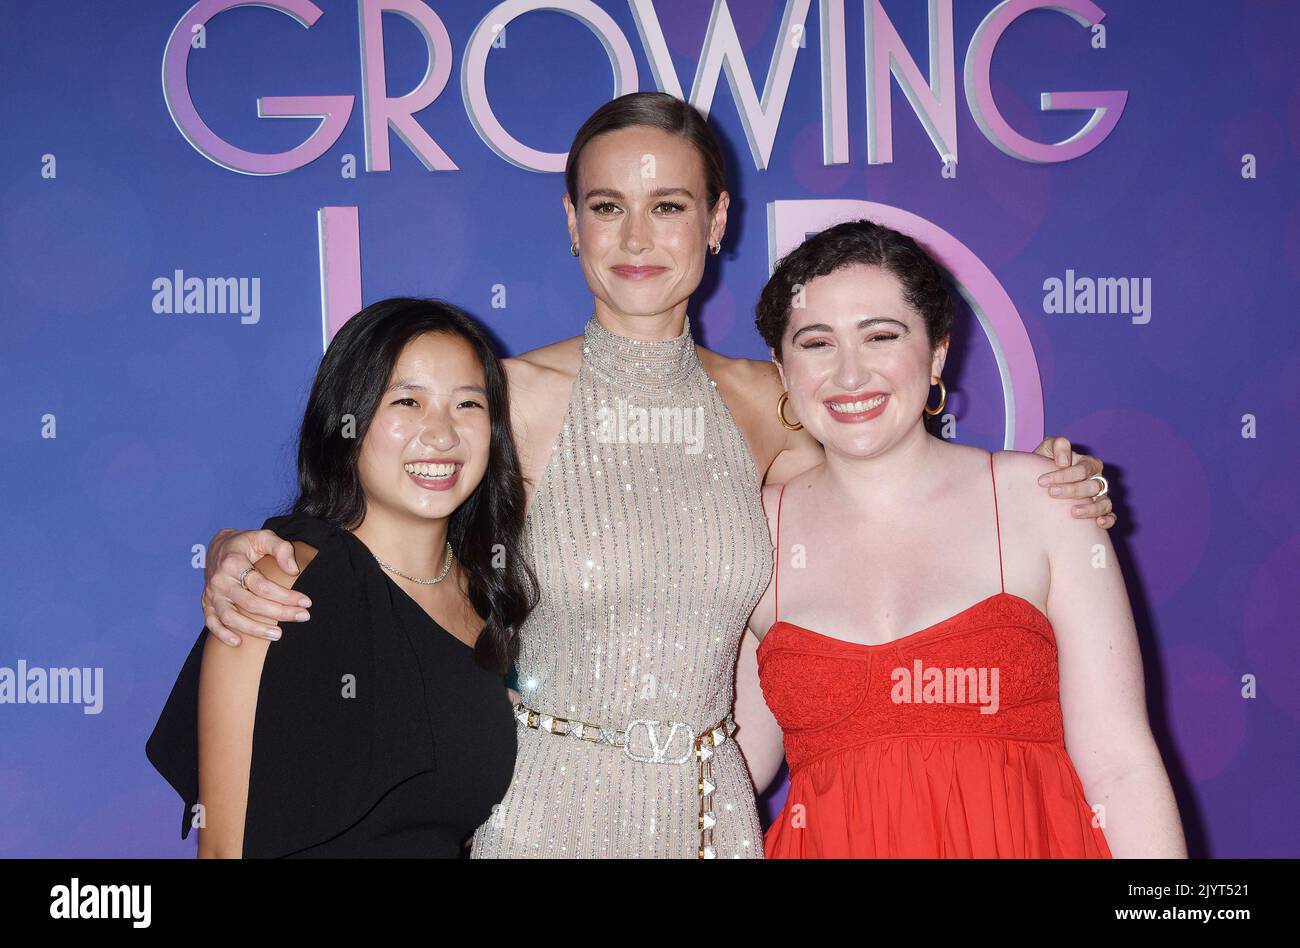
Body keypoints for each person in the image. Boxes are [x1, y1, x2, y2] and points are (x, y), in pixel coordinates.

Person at [191, 93, 1116, 859]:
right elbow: (378, 536)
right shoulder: (496, 401)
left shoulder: (776, 405)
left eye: (669, 204)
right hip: (540, 820)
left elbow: (901, 475)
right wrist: (242, 551)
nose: (637, 235)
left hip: (714, 823)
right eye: (606, 205)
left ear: (715, 222)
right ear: (572, 222)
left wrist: (1042, 480)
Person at [735, 220, 1186, 858]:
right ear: (782, 368)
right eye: (816, 343)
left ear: (937, 352)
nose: (850, 373)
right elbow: (729, 773)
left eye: (881, 336)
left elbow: (1120, 766)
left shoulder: (1045, 500)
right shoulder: (748, 536)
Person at [145, 298, 538, 857]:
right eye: (407, 400)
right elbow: (223, 850)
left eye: (468, 404)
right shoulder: (281, 581)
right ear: (347, 420)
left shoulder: (487, 599)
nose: (443, 435)